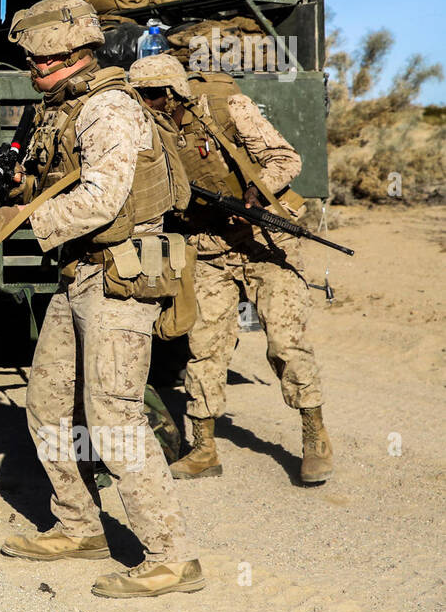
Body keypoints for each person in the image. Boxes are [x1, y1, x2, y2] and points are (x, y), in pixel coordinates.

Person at [0, 0, 203, 599]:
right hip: (80, 273)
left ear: (64, 51)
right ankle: (79, 524)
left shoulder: (108, 107)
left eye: (36, 54)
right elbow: (68, 183)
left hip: (118, 277)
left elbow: (103, 200)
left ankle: (171, 557)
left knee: (114, 418)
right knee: (49, 404)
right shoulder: (68, 106)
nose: (32, 66)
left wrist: (23, 221)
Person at [128, 53, 333, 484]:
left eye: (151, 96)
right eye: (139, 96)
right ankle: (204, 449)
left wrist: (255, 198)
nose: (145, 104)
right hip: (207, 247)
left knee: (286, 343)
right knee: (206, 349)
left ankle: (314, 436)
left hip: (265, 243)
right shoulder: (145, 130)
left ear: (171, 92)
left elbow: (286, 159)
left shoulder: (225, 107)